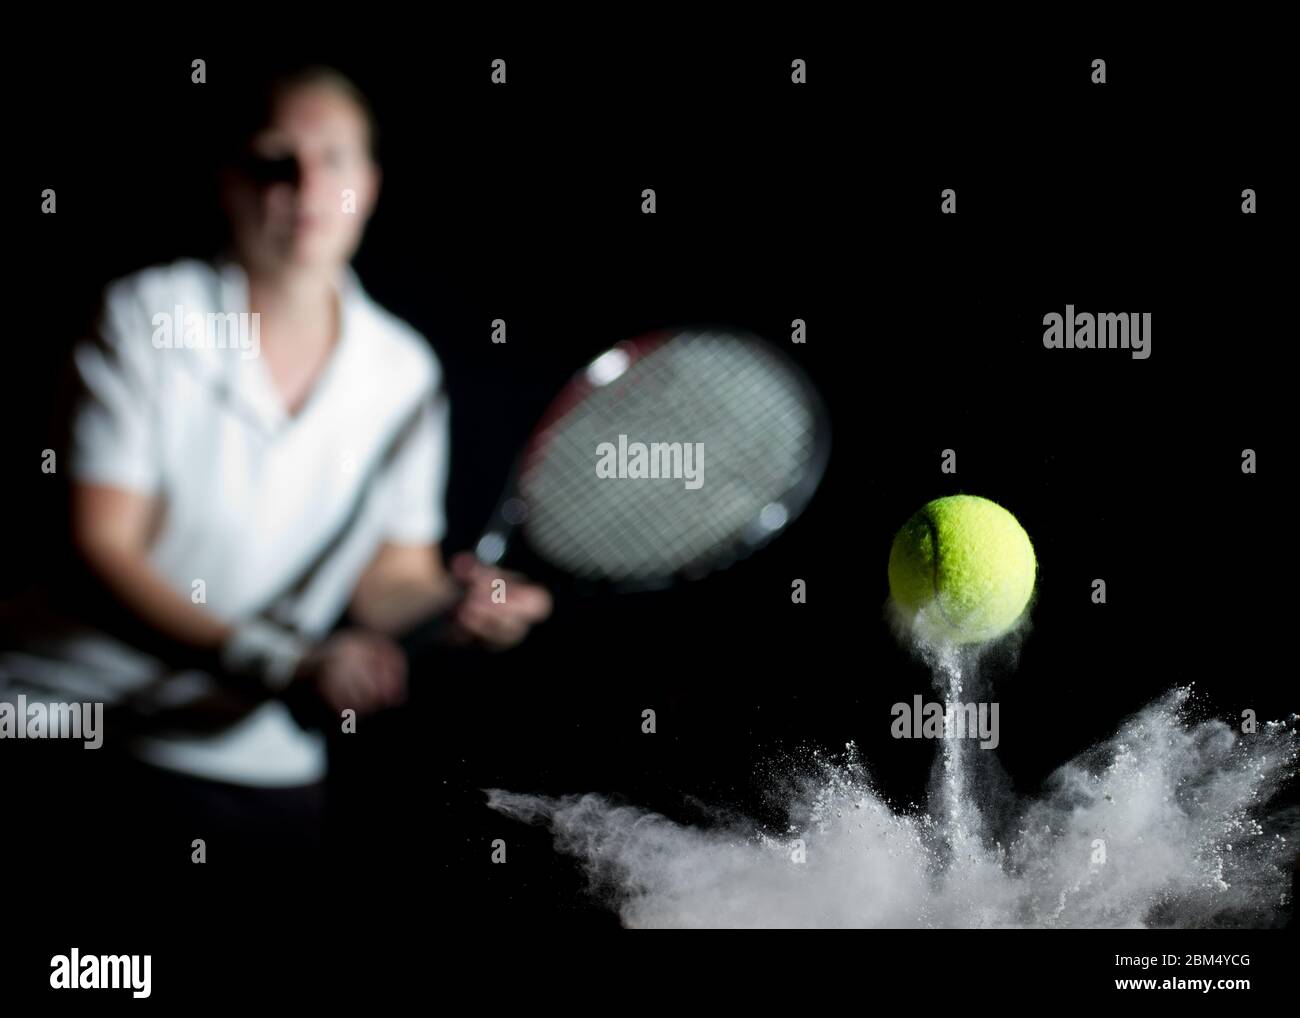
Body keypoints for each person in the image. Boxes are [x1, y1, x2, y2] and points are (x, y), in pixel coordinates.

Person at [0, 64, 551, 868]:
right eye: (275, 158)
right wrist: (282, 660)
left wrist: (460, 601)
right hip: (62, 714)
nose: (306, 184)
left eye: (334, 158)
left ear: (369, 184)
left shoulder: (404, 371)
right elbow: (100, 549)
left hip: (250, 752)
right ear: (230, 181)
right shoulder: (149, 314)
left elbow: (390, 580)